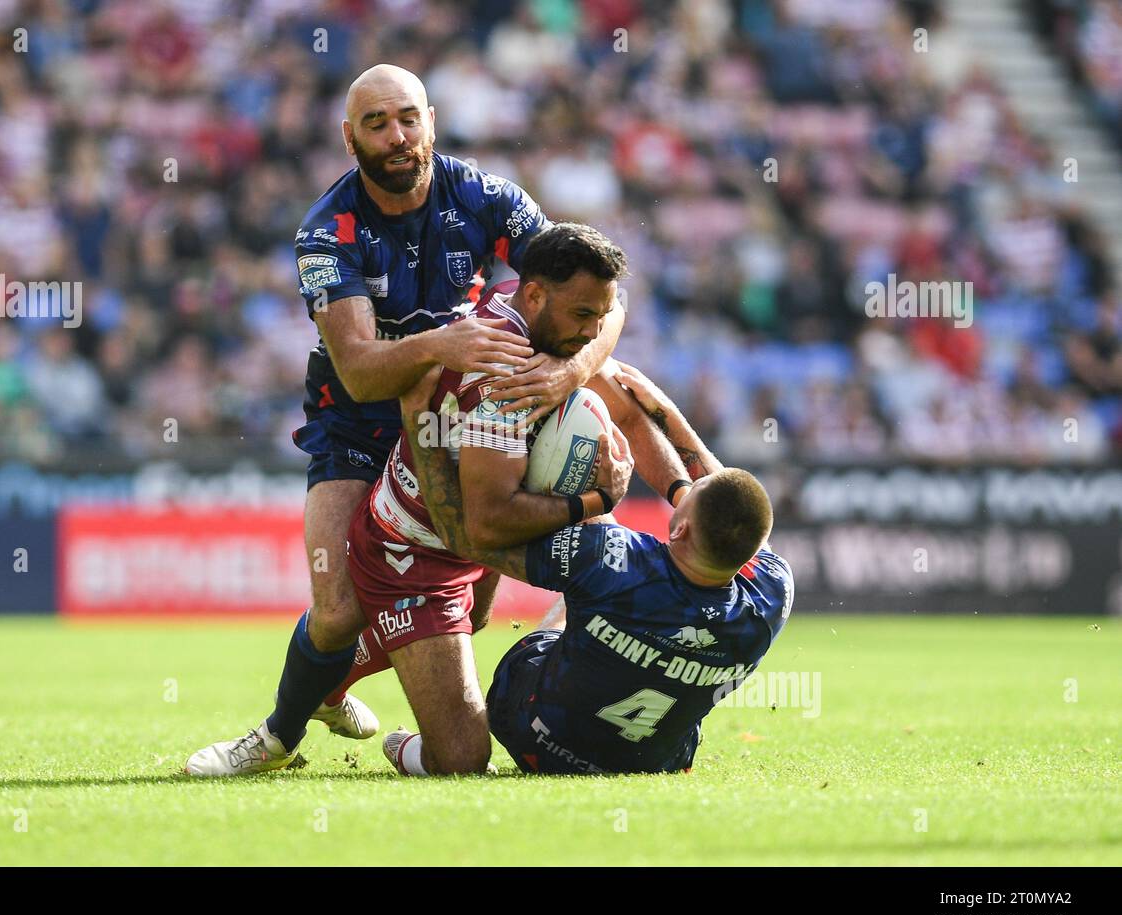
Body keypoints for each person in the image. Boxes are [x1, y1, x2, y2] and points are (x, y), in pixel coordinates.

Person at [185, 66, 624, 773]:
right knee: (335, 611)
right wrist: (445, 343)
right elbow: (359, 368)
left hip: (454, 427)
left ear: (431, 119)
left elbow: (598, 293)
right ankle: (277, 739)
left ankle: (336, 685)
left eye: (407, 119)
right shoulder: (327, 232)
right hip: (357, 428)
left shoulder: (483, 196)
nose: (396, 137)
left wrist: (571, 372)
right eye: (376, 124)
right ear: (349, 137)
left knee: (472, 612)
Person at [388, 360, 795, 775]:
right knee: (603, 596)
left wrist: (590, 497)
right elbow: (742, 517)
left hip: (535, 737)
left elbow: (470, 539)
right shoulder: (773, 594)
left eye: (688, 493)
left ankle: (421, 747)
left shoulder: (610, 557)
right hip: (653, 762)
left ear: (681, 529)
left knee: (585, 553)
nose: (684, 490)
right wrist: (667, 416)